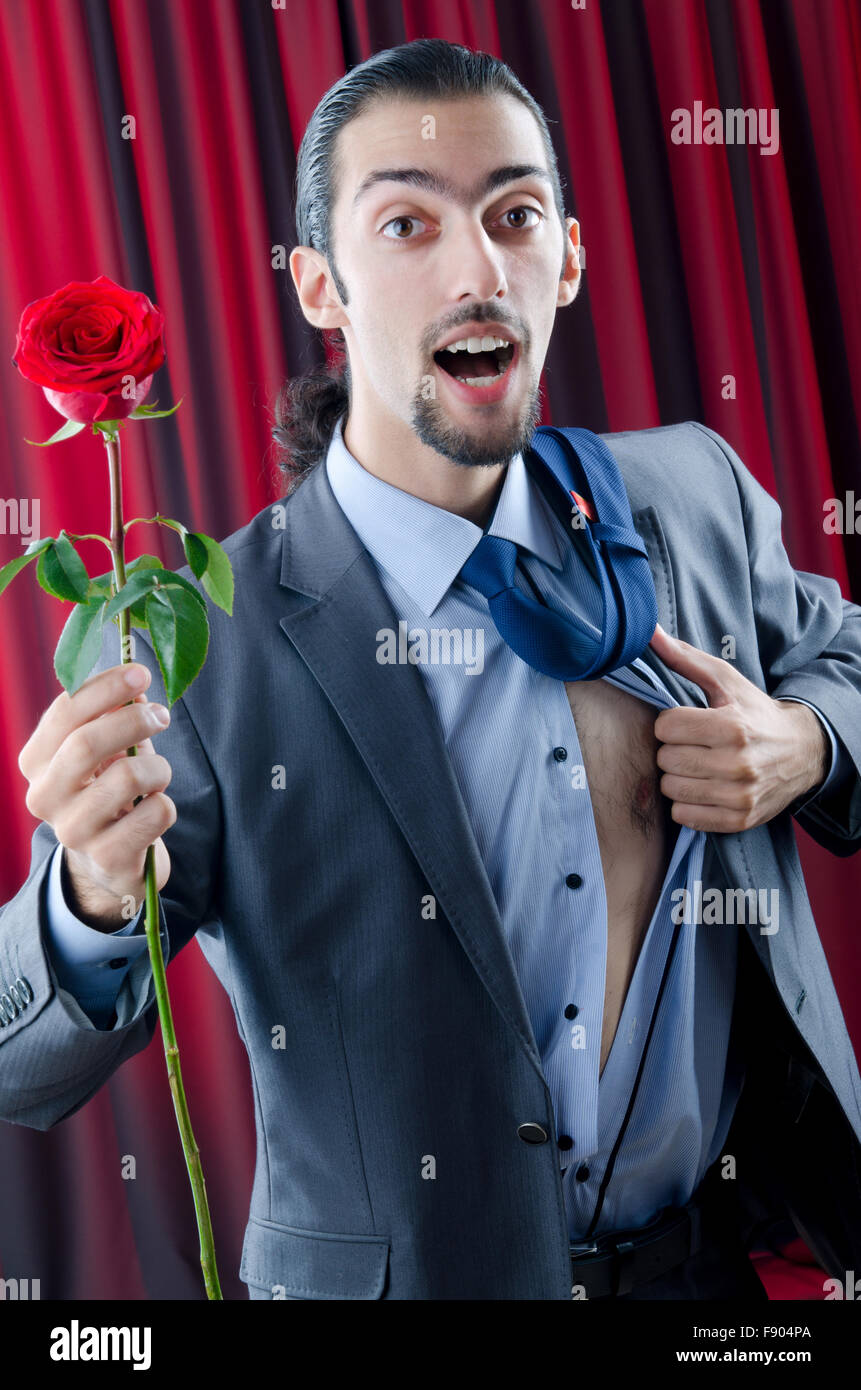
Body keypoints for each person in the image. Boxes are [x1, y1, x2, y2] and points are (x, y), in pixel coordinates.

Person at [1, 38, 860, 1302]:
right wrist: (85, 896)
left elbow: (843, 660)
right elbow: (22, 1067)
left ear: (567, 254)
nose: (477, 271)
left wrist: (808, 742)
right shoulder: (200, 639)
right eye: (406, 222)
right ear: (319, 285)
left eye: (516, 216)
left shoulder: (697, 494)